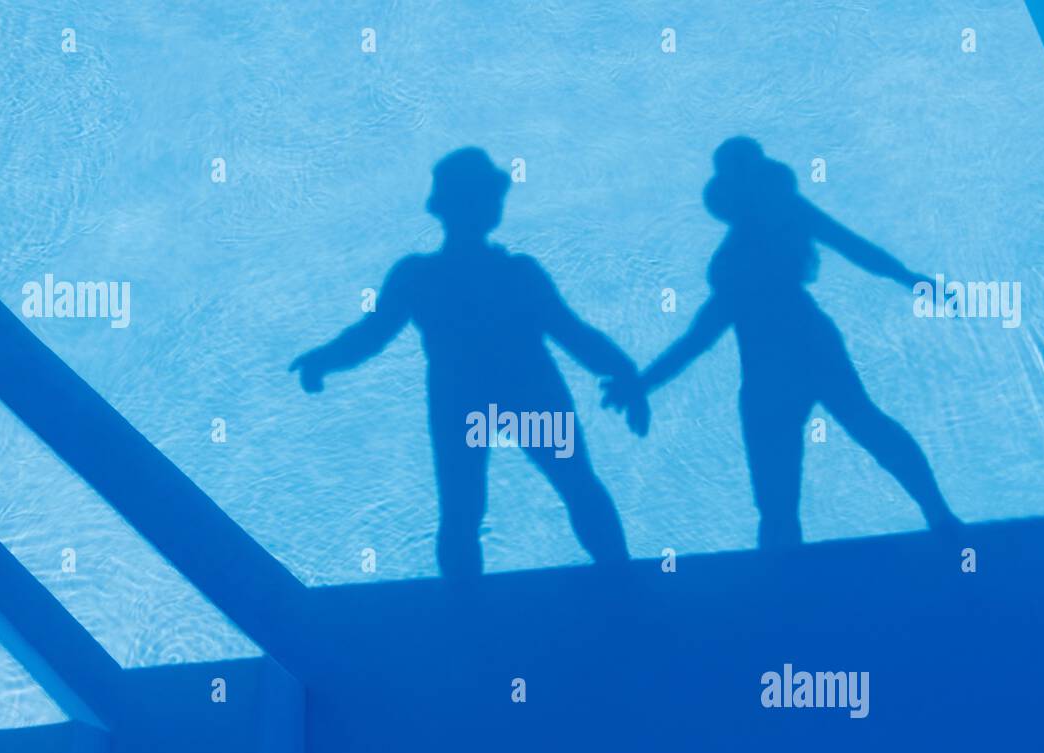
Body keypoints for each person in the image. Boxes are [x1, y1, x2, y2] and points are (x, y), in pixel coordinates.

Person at [291, 147, 647, 577]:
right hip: (530, 394)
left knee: (463, 512)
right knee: (575, 487)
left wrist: (323, 360)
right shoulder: (517, 274)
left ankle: (465, 603)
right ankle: (622, 580)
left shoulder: (418, 276)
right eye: (490, 196)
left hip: (462, 403)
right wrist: (626, 373)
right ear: (487, 205)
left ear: (442, 208)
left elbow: (370, 336)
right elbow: (574, 335)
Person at [603, 137, 958, 548]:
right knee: (864, 429)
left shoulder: (736, 262)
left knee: (782, 488)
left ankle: (790, 564)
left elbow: (697, 340)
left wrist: (642, 384)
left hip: (769, 369)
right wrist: (911, 280)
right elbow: (856, 248)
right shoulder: (788, 220)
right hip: (808, 347)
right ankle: (941, 518)